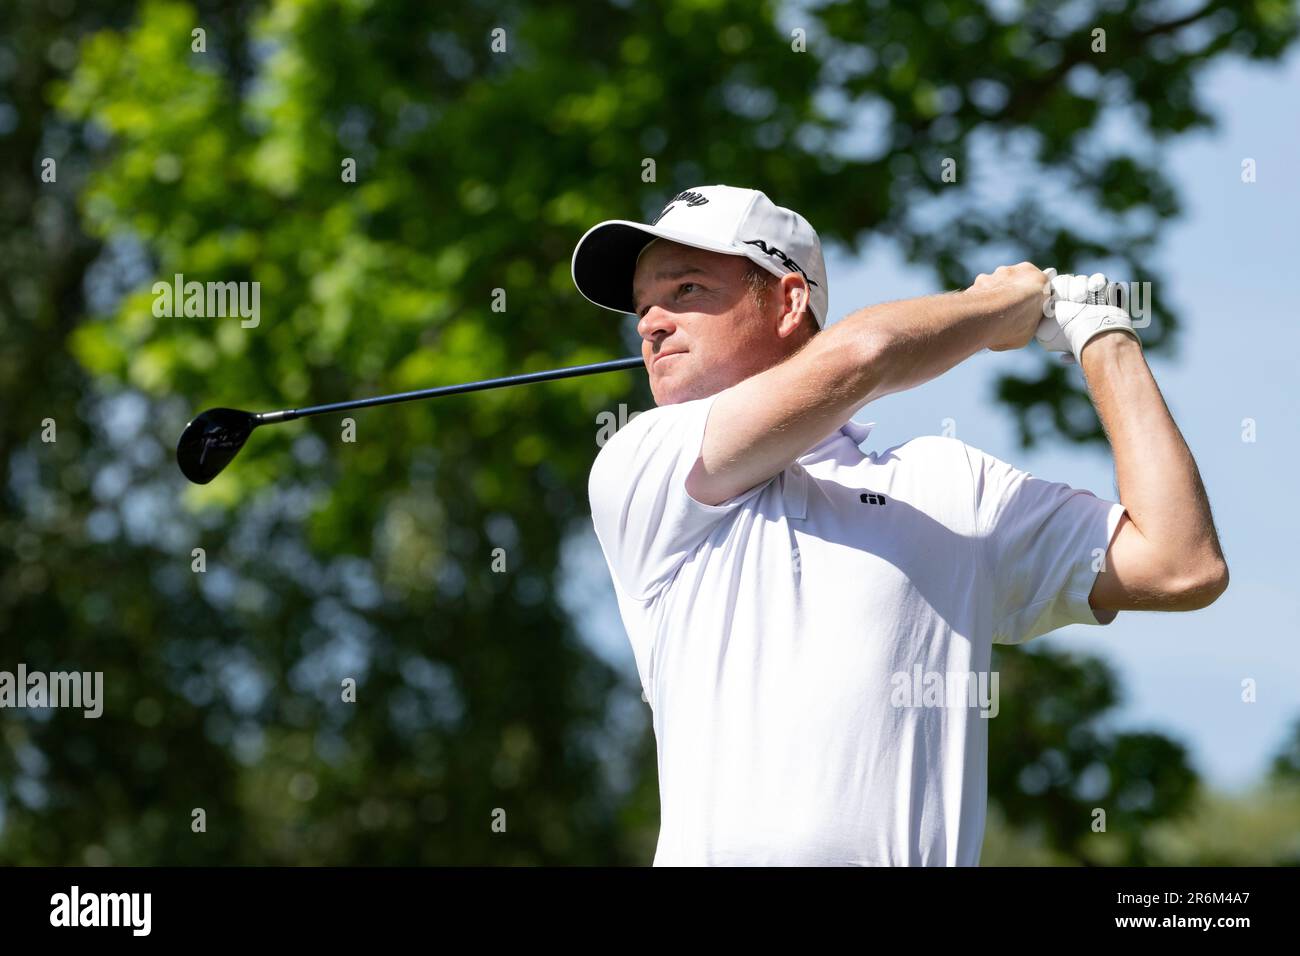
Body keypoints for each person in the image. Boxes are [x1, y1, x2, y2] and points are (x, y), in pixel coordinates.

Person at [571, 184, 1228, 866]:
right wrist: (1000, 307)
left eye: (686, 290)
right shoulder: (642, 460)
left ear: (790, 300)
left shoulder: (950, 487)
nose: (651, 323)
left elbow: (1182, 563)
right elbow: (865, 355)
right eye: (643, 306)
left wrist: (1103, 337)